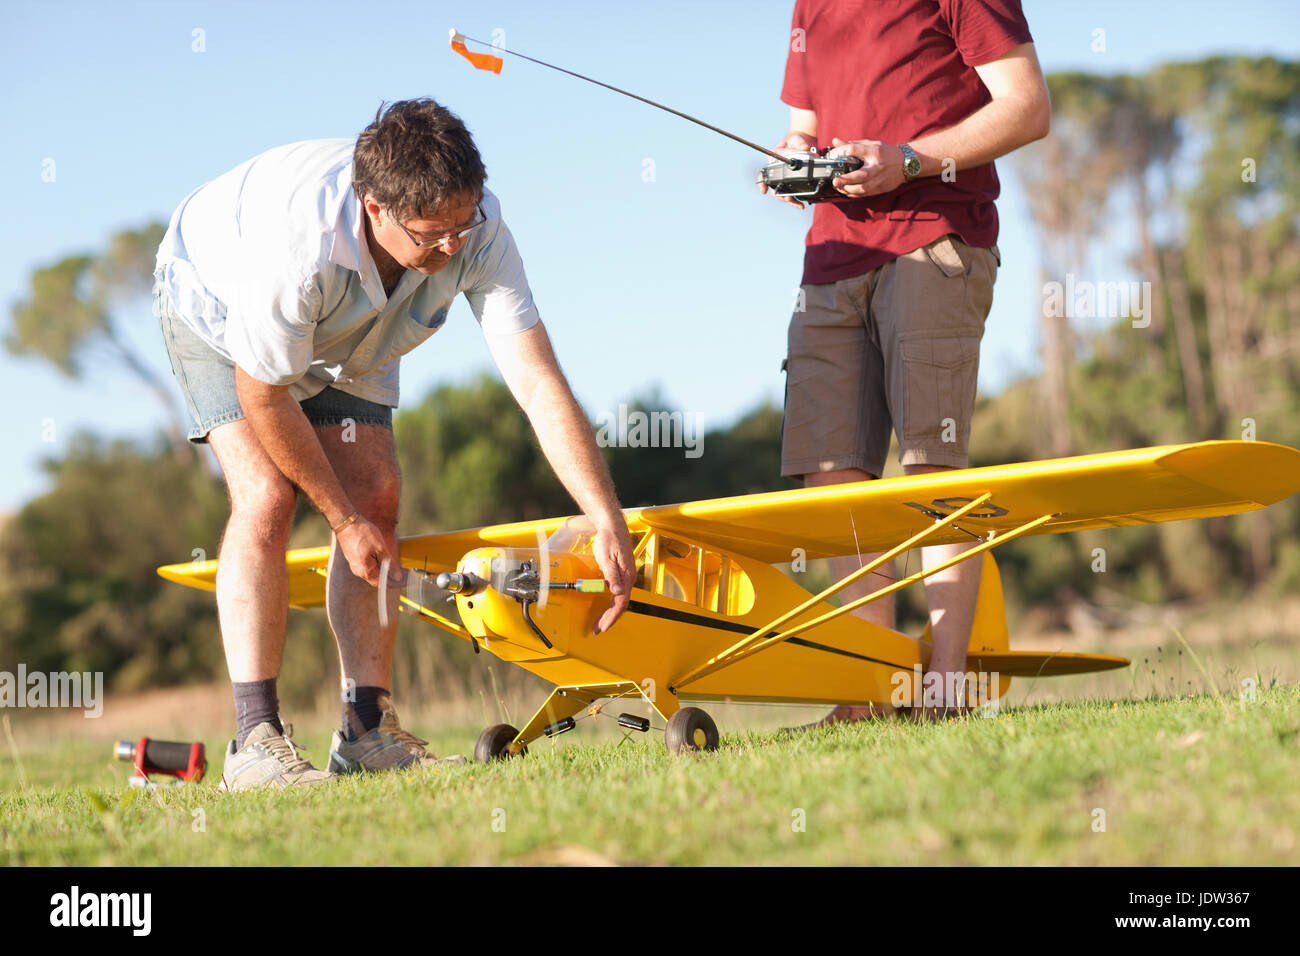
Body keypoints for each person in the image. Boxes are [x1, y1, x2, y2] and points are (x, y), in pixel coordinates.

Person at [155, 99, 636, 789]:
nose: (454, 248)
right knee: (265, 495)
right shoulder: (299, 252)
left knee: (378, 495)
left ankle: (366, 731)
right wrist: (339, 522)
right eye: (434, 233)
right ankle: (255, 742)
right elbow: (264, 393)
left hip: (358, 326)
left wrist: (601, 510)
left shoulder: (477, 228)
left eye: (462, 224)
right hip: (218, 306)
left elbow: (535, 379)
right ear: (375, 209)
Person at [763, 1, 1050, 721]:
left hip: (936, 238)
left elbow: (1027, 107)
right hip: (831, 258)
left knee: (930, 465)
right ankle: (868, 693)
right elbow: (803, 122)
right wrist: (792, 159)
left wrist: (911, 160)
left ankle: (945, 691)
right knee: (833, 477)